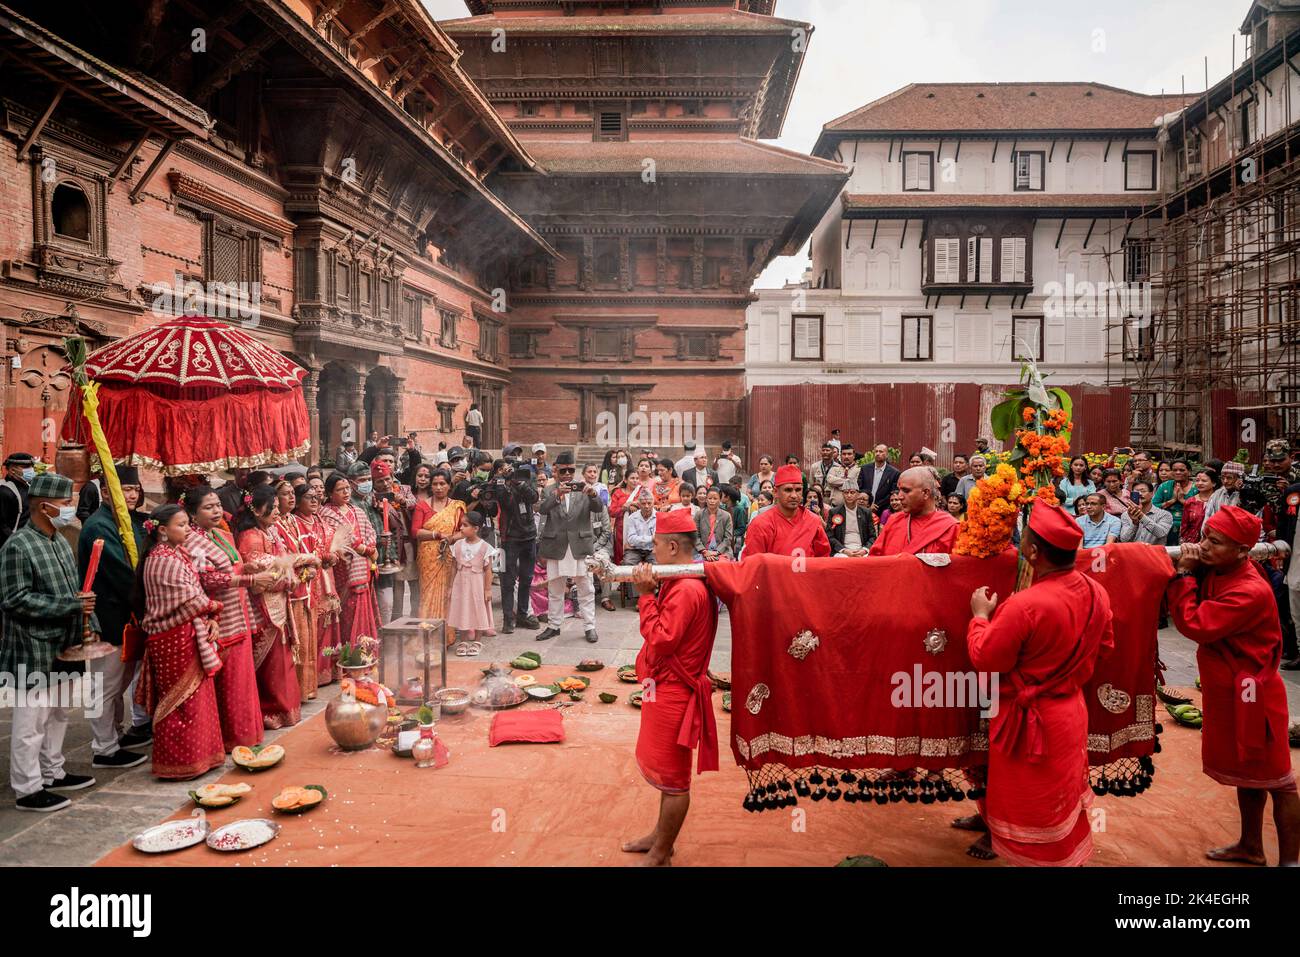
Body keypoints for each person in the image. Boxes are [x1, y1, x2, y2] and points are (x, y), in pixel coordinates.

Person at [964, 500, 1114, 865]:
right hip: (1069, 712)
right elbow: (1105, 647)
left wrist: (980, 618)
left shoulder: (1024, 605)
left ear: (1031, 551)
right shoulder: (1097, 592)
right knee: (1060, 799)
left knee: (1030, 804)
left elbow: (987, 658)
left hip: (1030, 723)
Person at [1166, 506, 1299, 866]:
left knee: (1279, 782)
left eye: (1215, 542)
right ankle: (1251, 846)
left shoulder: (1249, 590)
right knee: (1249, 773)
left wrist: (1183, 574)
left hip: (1255, 695)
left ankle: (1290, 863)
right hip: (1229, 689)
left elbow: (1195, 624)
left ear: (1242, 551)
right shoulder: (1221, 568)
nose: (1204, 546)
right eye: (1205, 537)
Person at [622, 508, 721, 866]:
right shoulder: (681, 580)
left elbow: (663, 640)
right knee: (665, 772)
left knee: (676, 780)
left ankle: (663, 851)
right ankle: (659, 837)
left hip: (675, 693)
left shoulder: (687, 589)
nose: (653, 551)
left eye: (657, 544)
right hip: (664, 687)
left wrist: (645, 595)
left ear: (674, 548)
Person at [0, 472, 99, 811]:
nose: (70, 508)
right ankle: (28, 788)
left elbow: (76, 591)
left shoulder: (59, 540)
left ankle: (52, 771)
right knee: (31, 721)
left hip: (63, 643)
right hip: (32, 647)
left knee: (57, 714)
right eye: (65, 503)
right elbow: (14, 599)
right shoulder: (17, 546)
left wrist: (89, 621)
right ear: (44, 507)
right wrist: (70, 605)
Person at [134, 504, 228, 781]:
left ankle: (202, 757)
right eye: (182, 525)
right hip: (172, 638)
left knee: (198, 698)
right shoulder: (161, 559)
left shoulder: (176, 553)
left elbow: (195, 592)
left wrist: (211, 617)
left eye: (187, 524)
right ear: (163, 531)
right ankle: (179, 763)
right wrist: (215, 608)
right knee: (180, 701)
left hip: (188, 632)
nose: (188, 529)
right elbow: (189, 599)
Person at [183, 483, 269, 751]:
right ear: (192, 514)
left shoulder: (220, 534)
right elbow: (205, 579)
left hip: (237, 611)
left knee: (243, 680)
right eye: (208, 507)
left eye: (218, 505)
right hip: (220, 618)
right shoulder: (192, 541)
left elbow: (232, 566)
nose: (216, 511)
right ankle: (233, 738)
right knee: (231, 682)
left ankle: (248, 736)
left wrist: (247, 567)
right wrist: (248, 579)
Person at [78, 466, 150, 768]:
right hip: (108, 617)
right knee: (105, 685)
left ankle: (115, 735)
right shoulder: (98, 525)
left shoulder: (127, 520)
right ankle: (104, 748)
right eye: (125, 489)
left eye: (135, 489)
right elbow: (123, 574)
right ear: (106, 493)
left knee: (118, 683)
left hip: (128, 614)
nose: (131, 495)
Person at [236, 485, 312, 729]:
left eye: (279, 507)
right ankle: (271, 712)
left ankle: (285, 710)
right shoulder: (250, 537)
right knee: (272, 663)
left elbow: (285, 561)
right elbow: (264, 575)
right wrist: (292, 577)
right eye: (273, 507)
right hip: (264, 608)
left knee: (282, 659)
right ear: (257, 510)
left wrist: (300, 567)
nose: (278, 511)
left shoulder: (270, 531)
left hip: (279, 603)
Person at [536, 451, 602, 643]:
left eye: (570, 471)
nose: (567, 474)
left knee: (585, 587)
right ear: (555, 470)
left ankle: (589, 626)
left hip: (579, 545)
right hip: (556, 544)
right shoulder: (549, 489)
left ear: (575, 471)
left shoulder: (585, 488)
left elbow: (599, 508)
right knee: (555, 588)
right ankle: (554, 625)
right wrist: (557, 495)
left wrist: (593, 494)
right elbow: (542, 509)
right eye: (563, 471)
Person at [285, 483, 342, 689]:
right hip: (311, 579)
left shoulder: (319, 520)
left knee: (330, 624)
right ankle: (315, 675)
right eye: (308, 497)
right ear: (298, 501)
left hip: (327, 576)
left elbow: (333, 545)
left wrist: (334, 556)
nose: (314, 500)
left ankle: (330, 670)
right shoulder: (295, 524)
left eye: (316, 497)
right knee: (315, 626)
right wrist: (321, 557)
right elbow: (297, 553)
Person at [319, 474, 382, 649]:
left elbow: (370, 532)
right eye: (340, 489)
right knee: (347, 611)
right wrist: (367, 551)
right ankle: (350, 653)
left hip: (363, 568)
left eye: (347, 488)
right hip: (344, 568)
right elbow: (345, 539)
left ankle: (366, 651)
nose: (346, 492)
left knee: (364, 608)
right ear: (330, 493)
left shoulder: (357, 510)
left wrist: (369, 547)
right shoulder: (326, 513)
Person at [413, 468, 467, 637]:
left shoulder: (456, 506)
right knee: (427, 595)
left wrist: (451, 538)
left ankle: (446, 636)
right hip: (428, 558)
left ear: (449, 485)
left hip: (448, 556)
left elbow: (463, 531)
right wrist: (437, 535)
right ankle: (426, 635)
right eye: (435, 484)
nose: (438, 487)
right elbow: (415, 531)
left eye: (442, 484)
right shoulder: (422, 505)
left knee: (447, 594)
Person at [743, 464, 830, 558]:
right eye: (788, 490)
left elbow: (823, 558)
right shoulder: (760, 523)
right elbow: (752, 562)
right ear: (775, 492)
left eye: (798, 490)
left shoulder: (813, 521)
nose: (794, 495)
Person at [869, 467, 959, 556]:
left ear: (926, 493)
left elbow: (958, 564)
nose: (899, 496)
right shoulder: (894, 521)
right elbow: (874, 559)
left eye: (906, 491)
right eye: (899, 490)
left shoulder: (951, 527)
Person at [496, 462, 541, 633]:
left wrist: (519, 483)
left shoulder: (526, 478)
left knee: (527, 578)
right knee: (507, 580)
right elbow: (504, 502)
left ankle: (523, 614)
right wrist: (504, 480)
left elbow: (534, 497)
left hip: (529, 536)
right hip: (509, 538)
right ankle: (508, 618)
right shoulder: (500, 482)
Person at [446, 513, 496, 652]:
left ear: (476, 528)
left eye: (465, 525)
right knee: (462, 608)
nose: (461, 528)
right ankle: (463, 641)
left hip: (477, 583)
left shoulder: (485, 547)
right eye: (461, 525)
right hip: (460, 583)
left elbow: (488, 570)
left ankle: (477, 641)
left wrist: (487, 589)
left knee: (478, 608)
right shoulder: (457, 545)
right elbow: (453, 567)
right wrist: (450, 586)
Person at [0, 451, 36, 549]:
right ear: (12, 470)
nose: (31, 470)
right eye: (26, 467)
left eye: (31, 467)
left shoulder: (27, 486)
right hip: (12, 545)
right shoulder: (4, 491)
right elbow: (2, 525)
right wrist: (16, 542)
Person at [1153, 459, 1193, 545]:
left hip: (1190, 523)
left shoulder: (1196, 487)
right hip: (1165, 522)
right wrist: (1172, 501)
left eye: (1182, 470)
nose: (1178, 472)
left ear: (1189, 472)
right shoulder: (1164, 486)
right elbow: (1153, 506)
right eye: (1174, 470)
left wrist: (1182, 500)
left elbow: (1202, 508)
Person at [828, 486, 876, 557]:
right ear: (842, 494)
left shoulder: (866, 512)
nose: (849, 495)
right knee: (843, 558)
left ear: (858, 495)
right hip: (842, 551)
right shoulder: (834, 512)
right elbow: (830, 536)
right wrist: (844, 550)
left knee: (868, 559)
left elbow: (873, 536)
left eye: (852, 492)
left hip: (863, 549)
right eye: (846, 492)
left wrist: (864, 550)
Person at [1180, 468, 1220, 544]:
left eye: (1204, 481)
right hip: (1191, 541)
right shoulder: (1190, 501)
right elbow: (1184, 525)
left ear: (1214, 483)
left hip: (1212, 540)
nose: (1200, 483)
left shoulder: (1219, 501)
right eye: (1197, 480)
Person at [858, 444, 900, 513]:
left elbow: (892, 493)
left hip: (883, 509)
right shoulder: (864, 469)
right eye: (876, 451)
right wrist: (868, 504)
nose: (878, 454)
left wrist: (876, 505)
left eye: (881, 451)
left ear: (887, 455)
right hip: (864, 508)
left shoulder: (894, 473)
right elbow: (859, 487)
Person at [695, 487, 733, 561]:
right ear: (706, 499)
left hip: (722, 551)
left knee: (721, 564)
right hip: (702, 550)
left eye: (715, 499)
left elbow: (728, 538)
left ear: (720, 500)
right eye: (710, 498)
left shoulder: (726, 516)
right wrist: (704, 551)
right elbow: (695, 536)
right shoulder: (699, 514)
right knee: (699, 564)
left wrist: (716, 552)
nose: (712, 501)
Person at [623, 491, 657, 566]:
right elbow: (631, 539)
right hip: (634, 550)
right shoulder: (632, 518)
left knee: (657, 565)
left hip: (652, 550)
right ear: (639, 505)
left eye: (649, 503)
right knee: (628, 564)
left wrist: (637, 540)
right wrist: (651, 538)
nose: (647, 506)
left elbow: (657, 539)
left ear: (653, 503)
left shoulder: (659, 517)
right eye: (643, 503)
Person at [826, 444, 860, 508]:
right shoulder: (834, 469)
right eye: (844, 454)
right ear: (840, 456)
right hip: (835, 507)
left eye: (849, 454)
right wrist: (849, 481)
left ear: (854, 456)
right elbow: (830, 480)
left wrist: (837, 484)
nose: (846, 456)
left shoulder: (859, 470)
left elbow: (856, 484)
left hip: (852, 508)